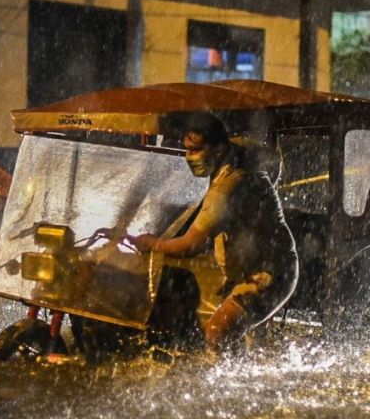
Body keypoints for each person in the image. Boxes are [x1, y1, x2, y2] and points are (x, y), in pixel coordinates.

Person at [128, 113, 298, 352]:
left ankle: (223, 378)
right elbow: (272, 163)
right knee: (248, 348)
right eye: (187, 149)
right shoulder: (238, 152)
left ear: (218, 149)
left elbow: (190, 245)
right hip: (254, 268)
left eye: (196, 150)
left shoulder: (227, 189)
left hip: (268, 276)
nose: (189, 157)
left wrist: (152, 243)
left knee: (216, 336)